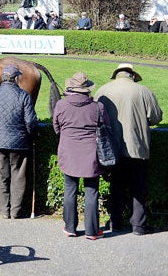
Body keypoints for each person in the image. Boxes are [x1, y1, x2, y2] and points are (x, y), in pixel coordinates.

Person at [95, 63, 163, 235]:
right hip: (137, 148)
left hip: (111, 148)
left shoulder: (102, 91)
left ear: (116, 74)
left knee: (116, 186)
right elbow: (156, 117)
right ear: (132, 75)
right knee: (138, 188)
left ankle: (115, 222)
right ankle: (138, 225)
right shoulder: (143, 91)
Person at [54, 72, 108, 239]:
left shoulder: (61, 105)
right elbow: (105, 128)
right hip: (91, 154)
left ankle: (70, 227)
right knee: (92, 192)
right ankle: (92, 231)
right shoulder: (98, 107)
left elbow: (56, 127)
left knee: (70, 190)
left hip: (68, 152)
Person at [0, 66, 39, 219]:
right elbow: (30, 122)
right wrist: (34, 134)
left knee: (1, 176)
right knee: (18, 176)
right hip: (19, 142)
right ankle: (15, 211)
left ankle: (3, 211)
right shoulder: (23, 95)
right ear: (16, 78)